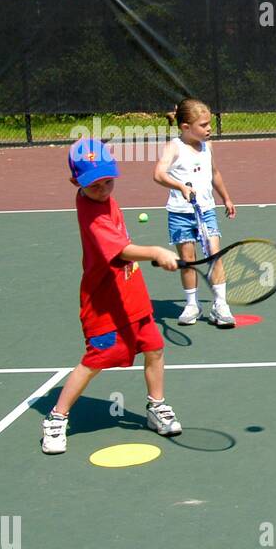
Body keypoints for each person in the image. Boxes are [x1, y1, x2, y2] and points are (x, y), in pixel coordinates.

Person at [42, 139, 183, 454]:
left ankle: (156, 407)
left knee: (155, 348)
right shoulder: (92, 215)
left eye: (108, 181)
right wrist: (156, 252)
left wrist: (151, 259)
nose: (104, 189)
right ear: (76, 183)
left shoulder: (102, 199)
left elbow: (123, 252)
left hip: (131, 294)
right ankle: (56, 417)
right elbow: (121, 250)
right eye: (95, 185)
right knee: (94, 361)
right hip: (104, 304)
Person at [154, 97, 237, 327]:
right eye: (203, 125)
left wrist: (226, 198)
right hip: (180, 214)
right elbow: (158, 174)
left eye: (209, 123)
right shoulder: (174, 147)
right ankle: (192, 304)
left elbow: (215, 173)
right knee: (188, 260)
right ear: (185, 128)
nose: (209, 128)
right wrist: (180, 186)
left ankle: (221, 305)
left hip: (207, 210)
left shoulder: (207, 146)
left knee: (214, 254)